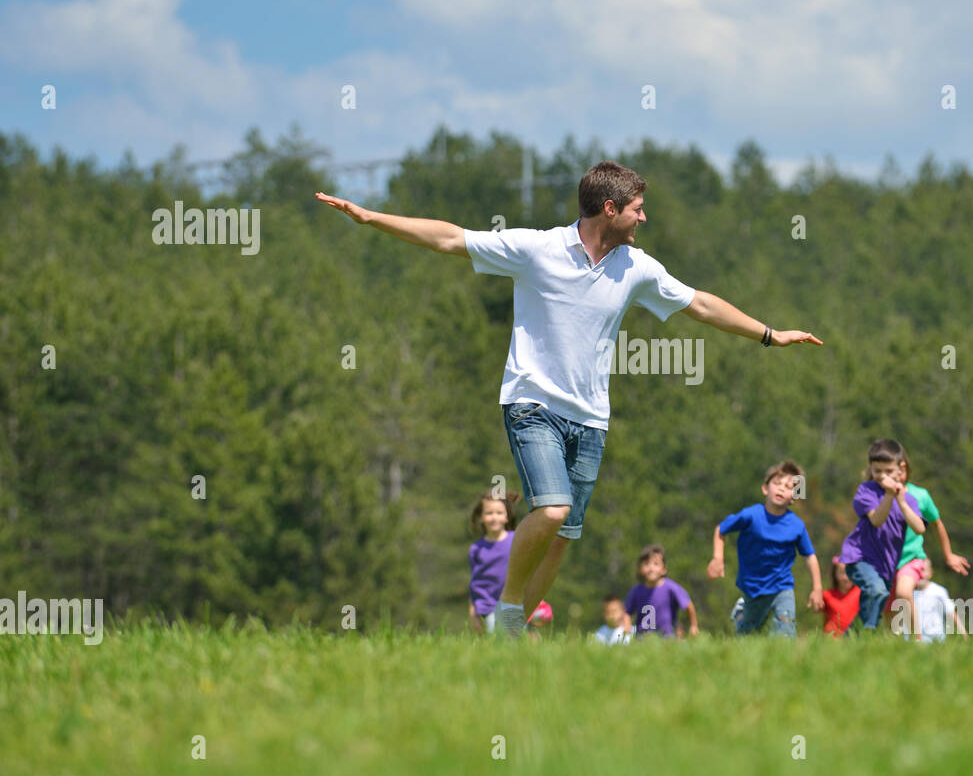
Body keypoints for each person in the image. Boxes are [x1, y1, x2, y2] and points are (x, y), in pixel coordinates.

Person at [317, 163, 821, 637]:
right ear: (609, 208)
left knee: (564, 536)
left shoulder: (636, 268)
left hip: (591, 420)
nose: (643, 217)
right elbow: (451, 237)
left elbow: (702, 304)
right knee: (553, 510)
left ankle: (510, 634)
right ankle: (507, 610)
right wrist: (369, 216)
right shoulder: (538, 249)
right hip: (531, 402)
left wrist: (769, 335)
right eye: (637, 208)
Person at [707, 460, 823, 637]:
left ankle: (783, 658)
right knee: (747, 634)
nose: (781, 488)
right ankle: (741, 613)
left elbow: (809, 556)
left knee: (786, 629)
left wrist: (817, 588)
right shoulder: (750, 515)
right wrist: (717, 558)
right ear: (765, 488)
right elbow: (721, 530)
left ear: (795, 496)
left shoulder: (796, 526)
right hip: (753, 587)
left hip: (782, 585)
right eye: (776, 483)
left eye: (788, 486)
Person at [883, 447, 970, 639]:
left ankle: (917, 639)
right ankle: (893, 646)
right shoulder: (879, 496)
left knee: (904, 593)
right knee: (889, 610)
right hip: (886, 563)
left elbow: (937, 522)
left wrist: (948, 555)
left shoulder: (920, 496)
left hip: (911, 559)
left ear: (904, 469)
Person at [839, 439, 925, 633]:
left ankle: (852, 636)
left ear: (900, 470)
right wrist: (888, 495)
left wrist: (901, 502)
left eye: (888, 471)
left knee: (876, 604)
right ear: (871, 468)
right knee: (876, 591)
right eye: (877, 471)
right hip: (860, 557)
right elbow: (877, 520)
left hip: (885, 564)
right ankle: (868, 633)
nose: (882, 476)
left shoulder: (909, 499)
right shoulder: (866, 491)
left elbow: (920, 528)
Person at [467, 490, 518, 634]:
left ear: (507, 516)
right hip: (487, 607)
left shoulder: (516, 541)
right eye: (489, 513)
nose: (494, 517)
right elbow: (473, 583)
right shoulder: (476, 549)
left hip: (514, 604)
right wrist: (473, 613)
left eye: (499, 513)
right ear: (481, 517)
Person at [625, 544, 698, 639]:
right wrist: (626, 625)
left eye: (656, 564)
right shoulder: (636, 591)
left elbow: (688, 605)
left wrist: (693, 625)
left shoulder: (671, 588)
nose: (651, 568)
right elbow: (627, 612)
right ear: (640, 569)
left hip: (668, 638)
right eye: (646, 564)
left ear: (663, 569)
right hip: (643, 639)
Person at [908, 558, 966, 643]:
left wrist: (964, 634)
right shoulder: (907, 593)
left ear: (930, 573)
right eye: (917, 571)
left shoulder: (938, 591)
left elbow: (951, 612)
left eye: (923, 570)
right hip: (915, 641)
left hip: (936, 639)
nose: (920, 574)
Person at [822, 556, 860, 637]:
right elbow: (824, 619)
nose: (846, 577)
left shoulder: (860, 592)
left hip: (853, 638)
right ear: (835, 574)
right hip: (832, 638)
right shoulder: (827, 595)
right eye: (842, 572)